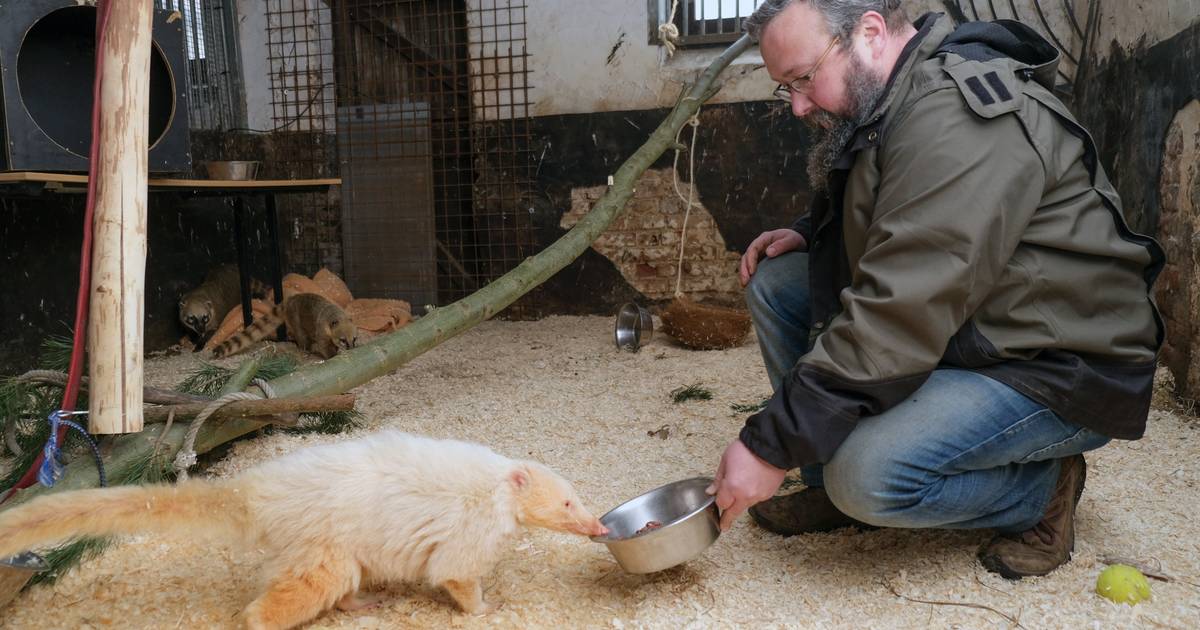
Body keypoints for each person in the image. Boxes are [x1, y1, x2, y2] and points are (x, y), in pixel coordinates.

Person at [705, 0, 1163, 579]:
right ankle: (823, 468)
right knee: (780, 284)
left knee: (866, 477)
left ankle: (1038, 490)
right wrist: (811, 235)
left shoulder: (960, 114)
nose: (797, 105)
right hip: (977, 324)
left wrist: (769, 445)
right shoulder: (895, 94)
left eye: (802, 79)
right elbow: (906, 211)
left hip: (1055, 361)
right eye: (785, 89)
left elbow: (900, 310)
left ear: (870, 33)